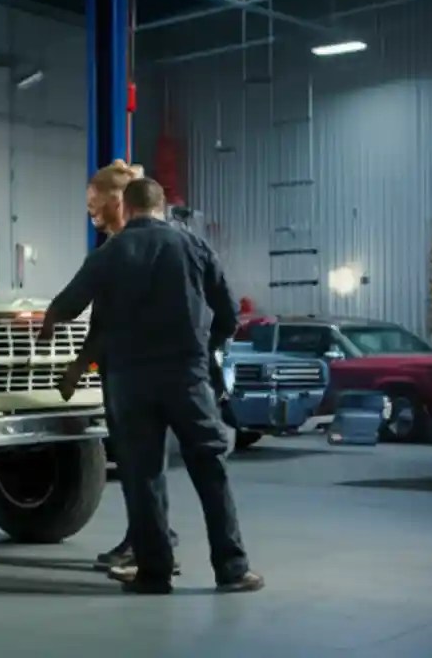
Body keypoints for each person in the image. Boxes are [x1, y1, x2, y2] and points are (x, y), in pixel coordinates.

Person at [38, 177, 263, 594]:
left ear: (127, 206)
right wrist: (206, 346)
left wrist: (48, 337)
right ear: (162, 206)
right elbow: (229, 312)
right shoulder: (193, 246)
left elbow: (66, 306)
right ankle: (232, 569)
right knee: (210, 469)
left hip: (130, 382)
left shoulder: (110, 253)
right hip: (187, 377)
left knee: (143, 477)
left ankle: (154, 573)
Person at [58, 159, 180, 576]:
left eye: (94, 203)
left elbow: (108, 320)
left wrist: (76, 363)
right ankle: (146, 537)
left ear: (118, 200)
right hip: (138, 370)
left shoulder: (121, 252)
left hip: (133, 373)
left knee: (139, 462)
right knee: (140, 464)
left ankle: (150, 543)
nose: (90, 211)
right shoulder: (136, 247)